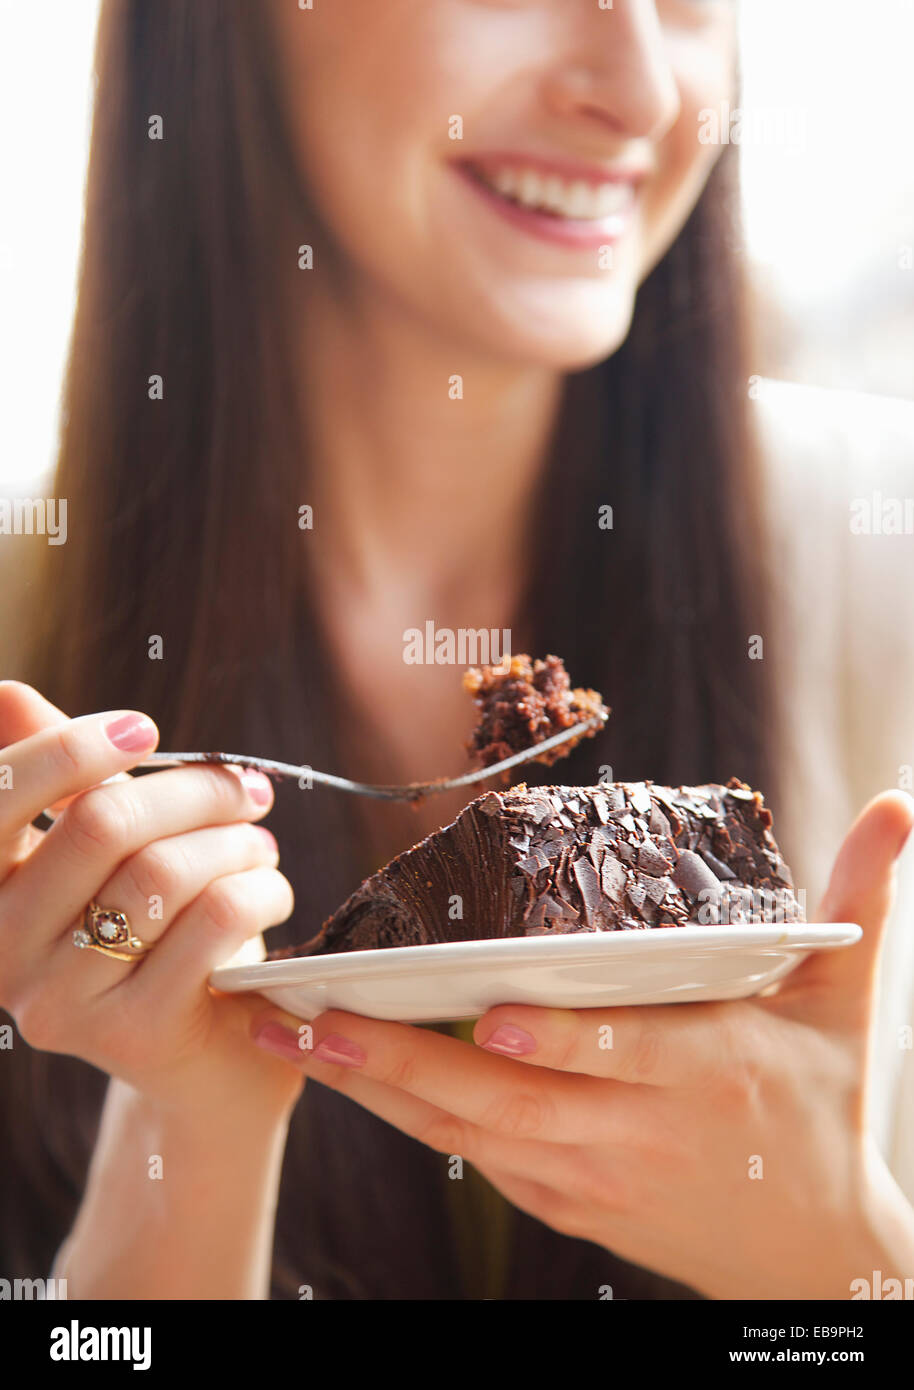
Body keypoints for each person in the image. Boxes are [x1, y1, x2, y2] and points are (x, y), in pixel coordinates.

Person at [1, 0, 913, 1300]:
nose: (641, 89)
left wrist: (830, 1255)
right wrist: (187, 1105)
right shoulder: (21, 651)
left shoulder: (886, 553)